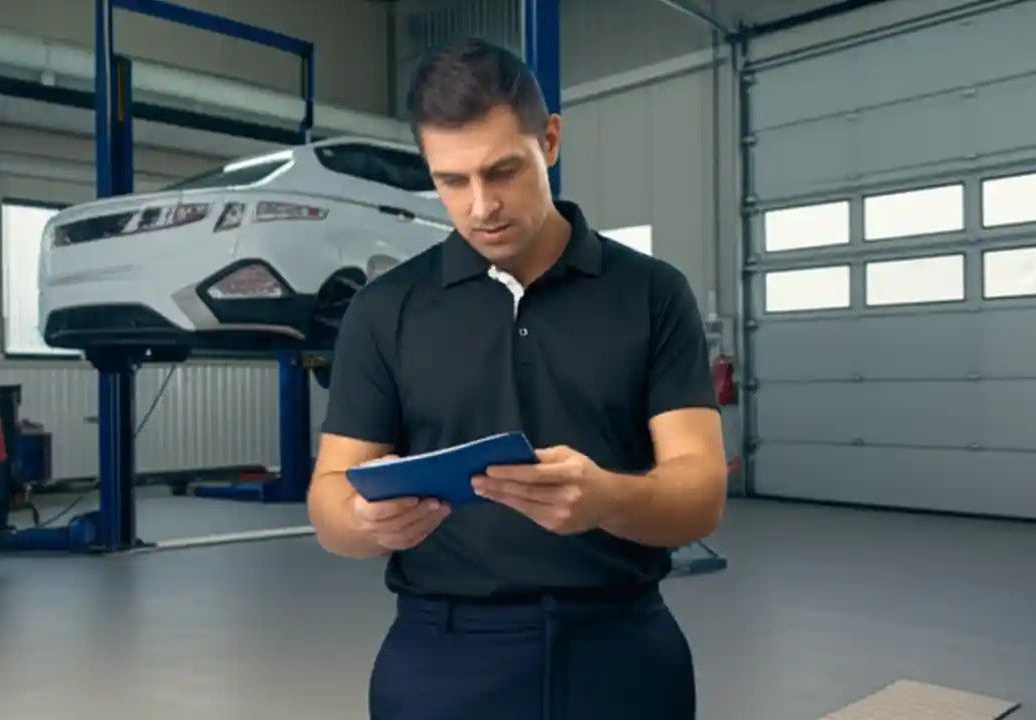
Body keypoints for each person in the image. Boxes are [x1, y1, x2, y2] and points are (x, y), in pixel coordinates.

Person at [307, 36, 728, 720]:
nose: (480, 206)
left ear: (551, 141)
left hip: (622, 654)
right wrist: (364, 521)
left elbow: (702, 492)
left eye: (502, 171)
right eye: (451, 181)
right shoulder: (385, 310)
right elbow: (329, 501)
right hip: (441, 658)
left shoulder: (651, 293)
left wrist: (606, 500)